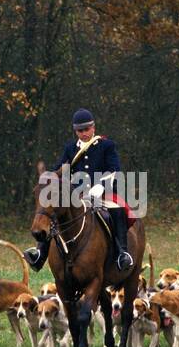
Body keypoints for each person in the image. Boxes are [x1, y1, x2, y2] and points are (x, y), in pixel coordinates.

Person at [26, 108, 134, 272]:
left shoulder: (106, 145)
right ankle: (40, 253)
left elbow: (115, 171)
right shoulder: (70, 148)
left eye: (86, 129)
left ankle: (122, 253)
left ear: (93, 127)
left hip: (102, 192)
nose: (83, 133)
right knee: (52, 212)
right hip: (76, 194)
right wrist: (50, 176)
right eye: (79, 130)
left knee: (117, 210)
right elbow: (59, 169)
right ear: (75, 131)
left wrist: (100, 186)